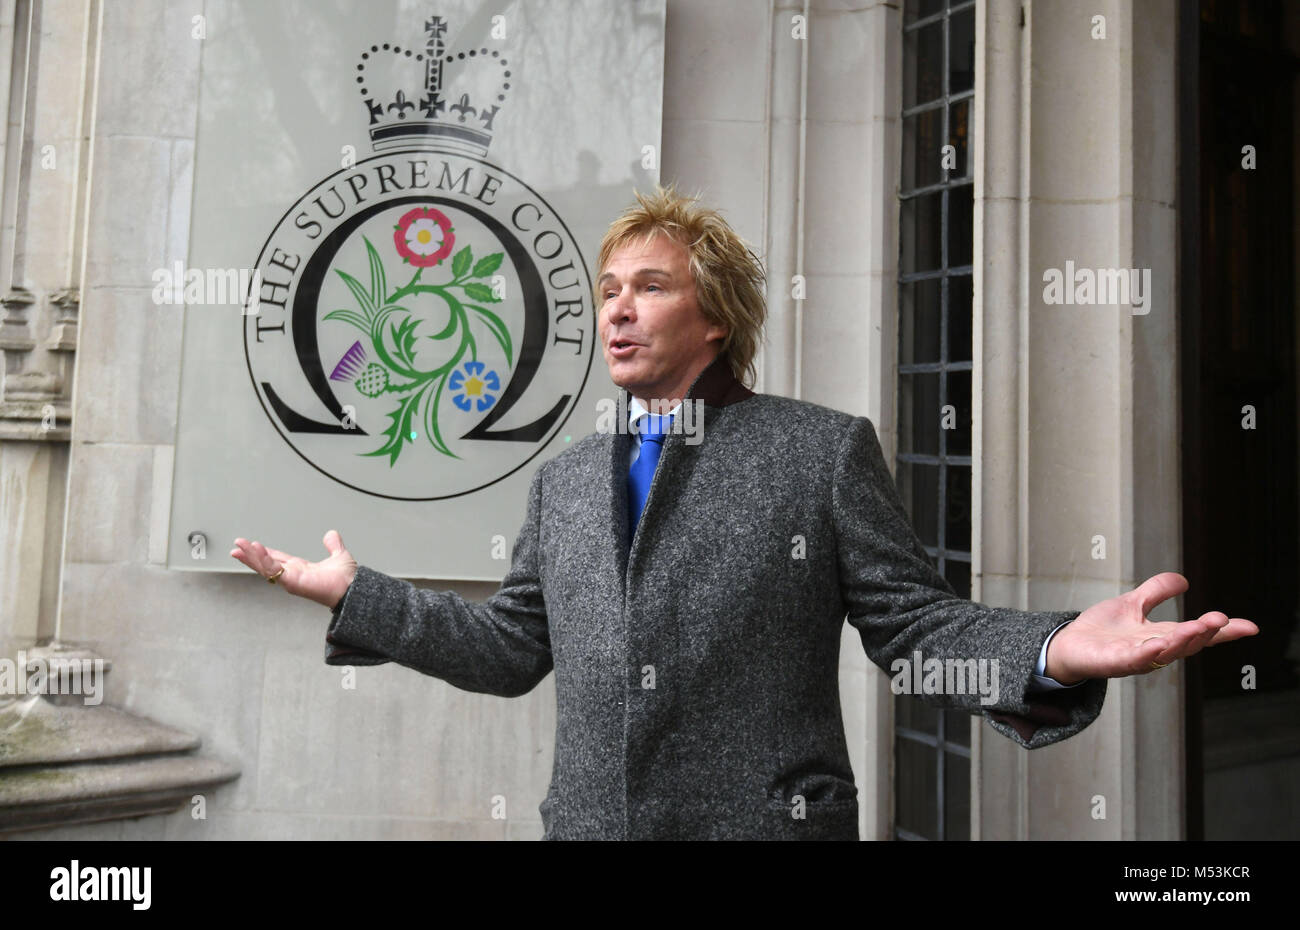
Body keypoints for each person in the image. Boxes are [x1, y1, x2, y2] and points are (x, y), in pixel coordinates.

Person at [231, 185, 1257, 840]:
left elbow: (915, 631)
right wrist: (361, 597)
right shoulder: (566, 478)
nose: (617, 309)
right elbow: (510, 650)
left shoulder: (818, 450)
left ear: (714, 316)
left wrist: (1054, 650)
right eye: (606, 290)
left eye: (649, 287)